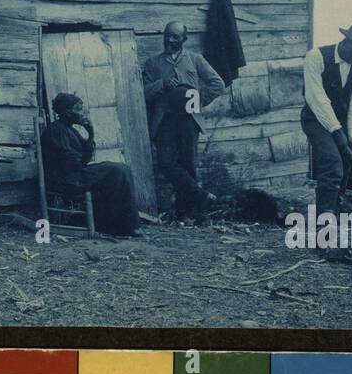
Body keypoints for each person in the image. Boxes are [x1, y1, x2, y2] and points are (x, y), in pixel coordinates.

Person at [142, 21, 226, 222]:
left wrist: (196, 101)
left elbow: (218, 84)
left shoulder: (195, 60)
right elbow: (143, 93)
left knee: (188, 164)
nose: (170, 40)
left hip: (189, 120)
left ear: (184, 39)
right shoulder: (153, 63)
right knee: (165, 163)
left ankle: (187, 212)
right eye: (167, 36)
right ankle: (201, 196)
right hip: (165, 121)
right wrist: (161, 84)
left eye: (175, 37)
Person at [301, 21, 352, 213]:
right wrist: (338, 134)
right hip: (316, 119)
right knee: (332, 165)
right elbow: (316, 98)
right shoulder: (316, 56)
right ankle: (322, 226)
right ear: (346, 41)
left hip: (343, 122)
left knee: (345, 168)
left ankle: (334, 215)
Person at [40, 93, 141, 237]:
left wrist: (91, 133)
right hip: (65, 179)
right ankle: (124, 226)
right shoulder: (56, 130)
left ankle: (123, 225)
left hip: (76, 174)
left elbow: (85, 158)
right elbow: (68, 161)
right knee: (116, 171)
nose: (82, 113)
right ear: (67, 112)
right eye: (78, 109)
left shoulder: (71, 129)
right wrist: (82, 163)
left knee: (122, 169)